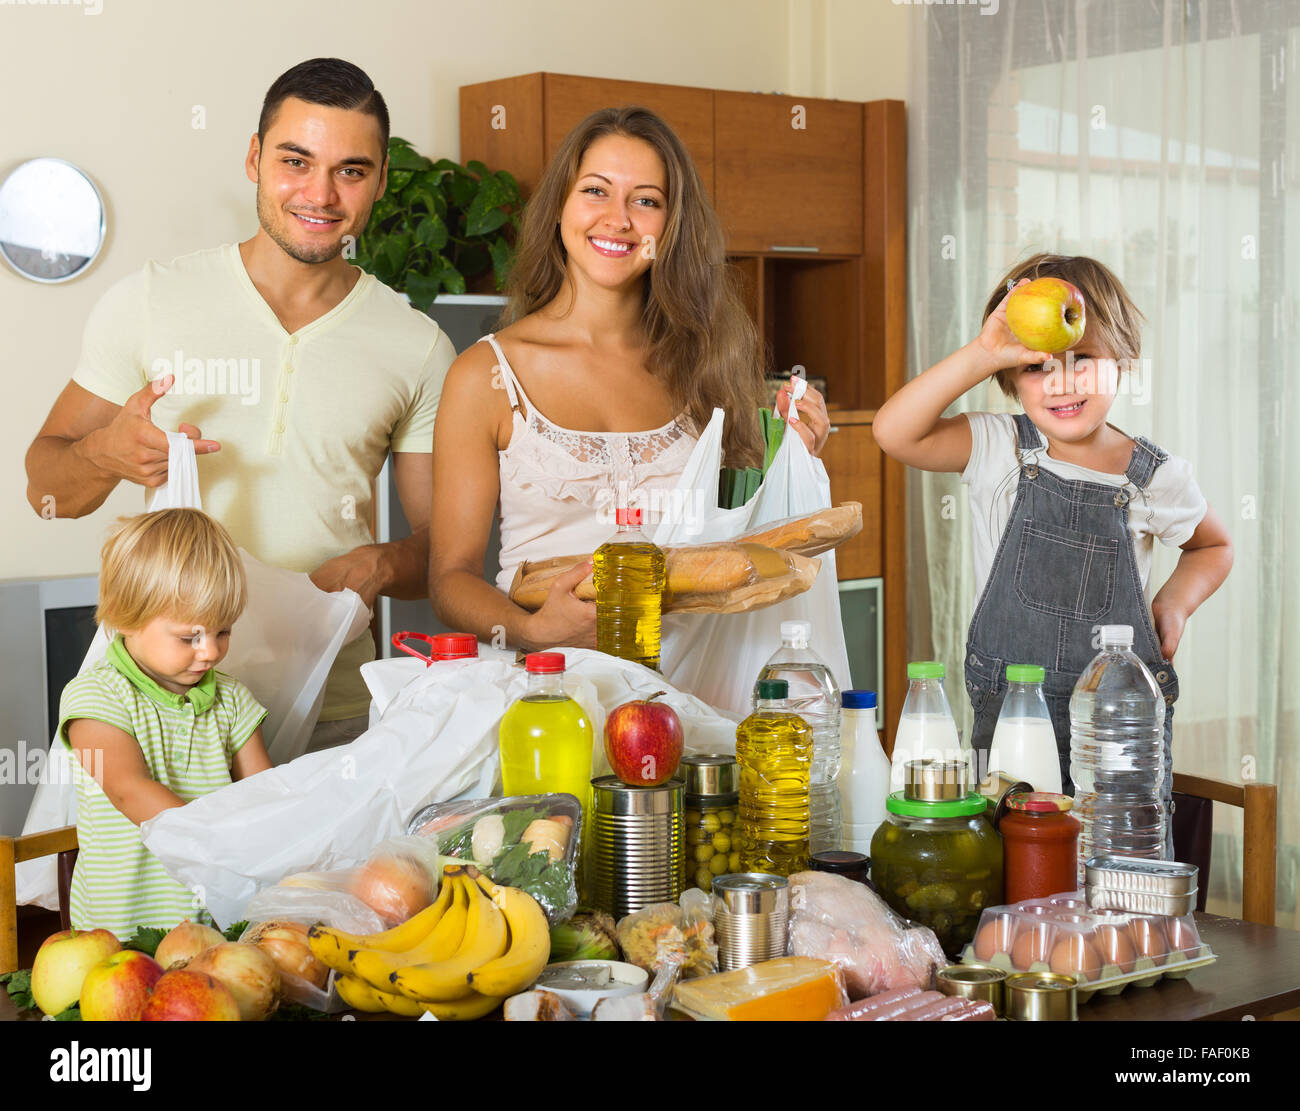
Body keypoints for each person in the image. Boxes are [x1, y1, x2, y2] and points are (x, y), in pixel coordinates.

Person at [25, 58, 456, 751]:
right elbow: (45, 488)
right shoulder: (151, 300)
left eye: (351, 169)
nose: (320, 193)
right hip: (163, 710)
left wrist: (379, 564)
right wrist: (105, 453)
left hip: (334, 710)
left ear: (379, 180)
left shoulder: (417, 346)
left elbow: (445, 553)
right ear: (254, 158)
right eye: (295, 160)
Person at [429, 106, 830, 651]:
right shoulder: (486, 374)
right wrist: (530, 629)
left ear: (671, 226)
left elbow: (742, 548)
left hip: (689, 682)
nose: (618, 219)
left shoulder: (707, 364)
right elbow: (450, 577)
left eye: (646, 201)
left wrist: (793, 457)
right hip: (544, 686)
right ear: (559, 207)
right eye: (595, 190)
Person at [872, 253, 1233, 832]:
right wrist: (982, 352)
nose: (1062, 383)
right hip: (1011, 727)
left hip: (1113, 733)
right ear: (1010, 376)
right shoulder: (996, 449)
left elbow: (1213, 546)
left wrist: (1174, 604)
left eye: (1083, 359)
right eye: (1037, 367)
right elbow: (893, 432)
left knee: (1113, 880)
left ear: (1124, 359)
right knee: (1015, 878)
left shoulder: (1154, 477)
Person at [59, 508, 273, 938]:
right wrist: (223, 841)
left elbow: (264, 792)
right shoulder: (95, 696)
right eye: (189, 637)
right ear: (123, 617)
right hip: (121, 935)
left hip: (215, 925)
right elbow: (127, 789)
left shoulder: (232, 699)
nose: (210, 652)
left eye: (223, 632)